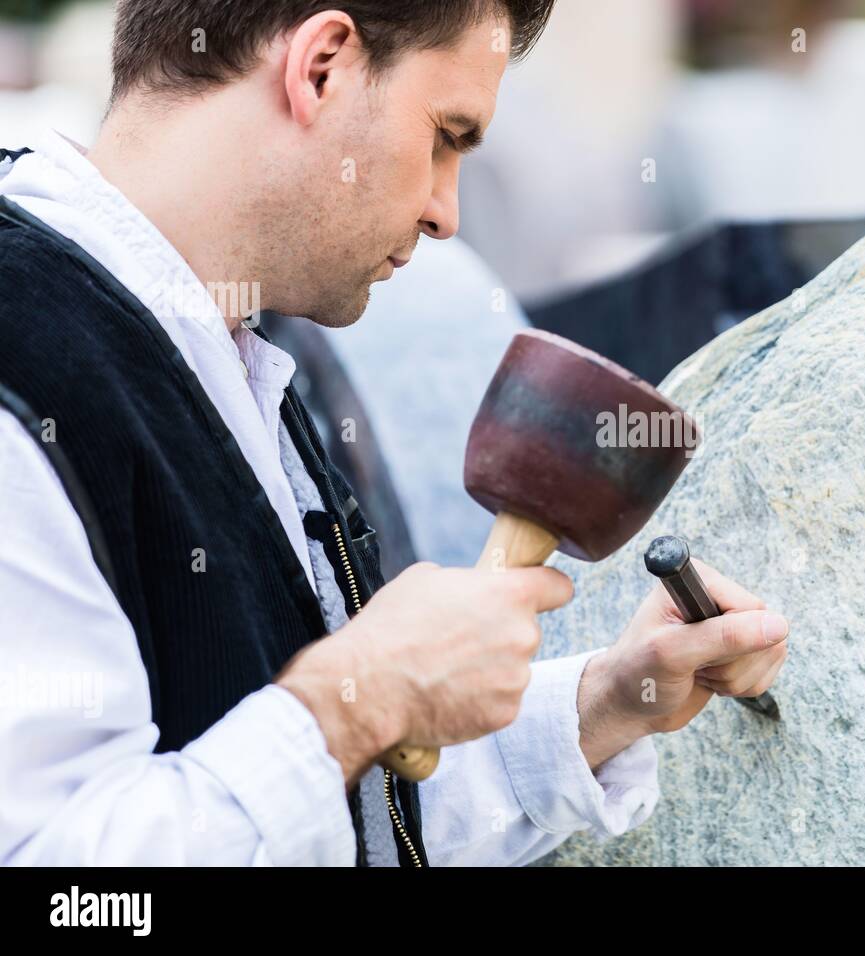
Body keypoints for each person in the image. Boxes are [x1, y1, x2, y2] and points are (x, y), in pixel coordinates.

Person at [0, 1, 789, 867]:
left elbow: (341, 824)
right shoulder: (22, 367)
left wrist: (603, 703)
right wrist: (356, 700)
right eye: (447, 135)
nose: (447, 214)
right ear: (323, 66)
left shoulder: (220, 341)